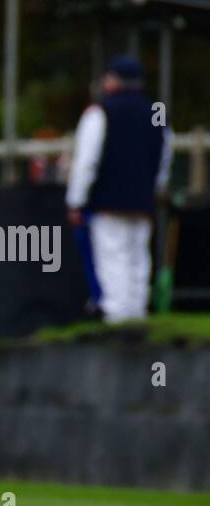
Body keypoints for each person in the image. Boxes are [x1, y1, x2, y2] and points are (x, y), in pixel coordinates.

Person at [65, 55, 173, 323]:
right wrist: (156, 187)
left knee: (113, 259)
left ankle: (118, 318)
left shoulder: (100, 112)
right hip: (142, 199)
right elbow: (164, 157)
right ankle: (136, 313)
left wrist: (76, 201)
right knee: (138, 258)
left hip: (108, 200)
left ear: (113, 80)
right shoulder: (156, 114)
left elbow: (86, 162)